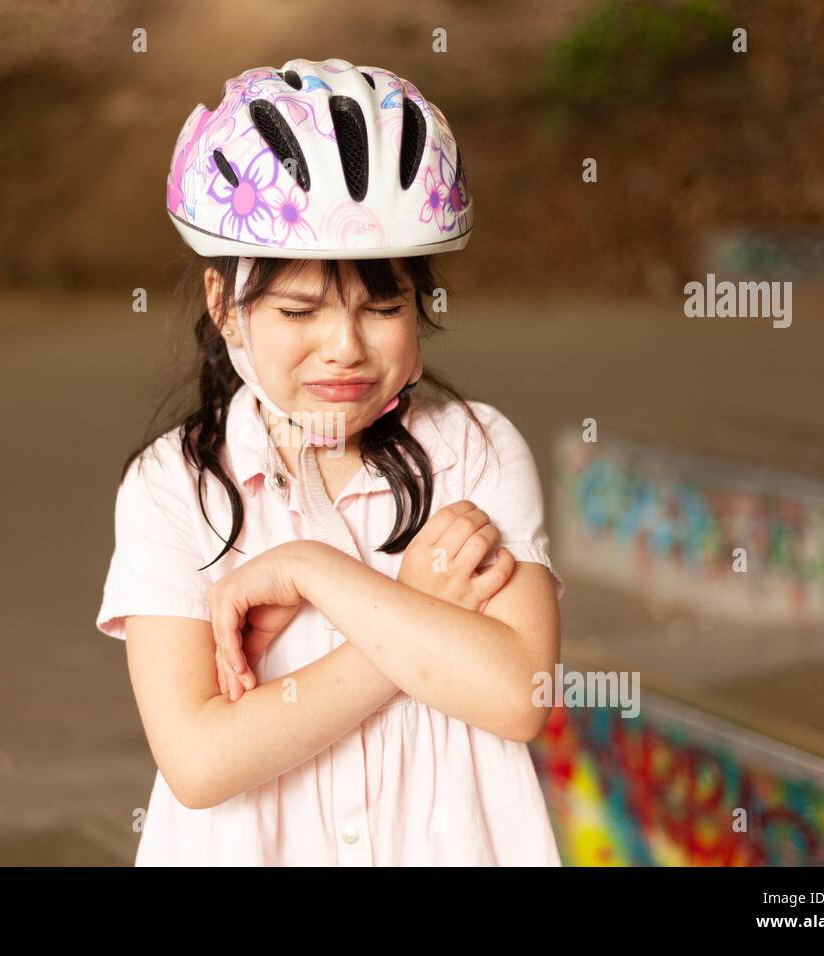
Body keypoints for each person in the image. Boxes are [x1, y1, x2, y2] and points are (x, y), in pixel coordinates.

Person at [95, 57, 564, 865]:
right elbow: (201, 761)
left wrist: (316, 574)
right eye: (298, 309)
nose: (344, 347)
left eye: (384, 307)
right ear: (224, 308)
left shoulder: (475, 451)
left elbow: (517, 696)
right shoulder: (174, 487)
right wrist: (411, 608)